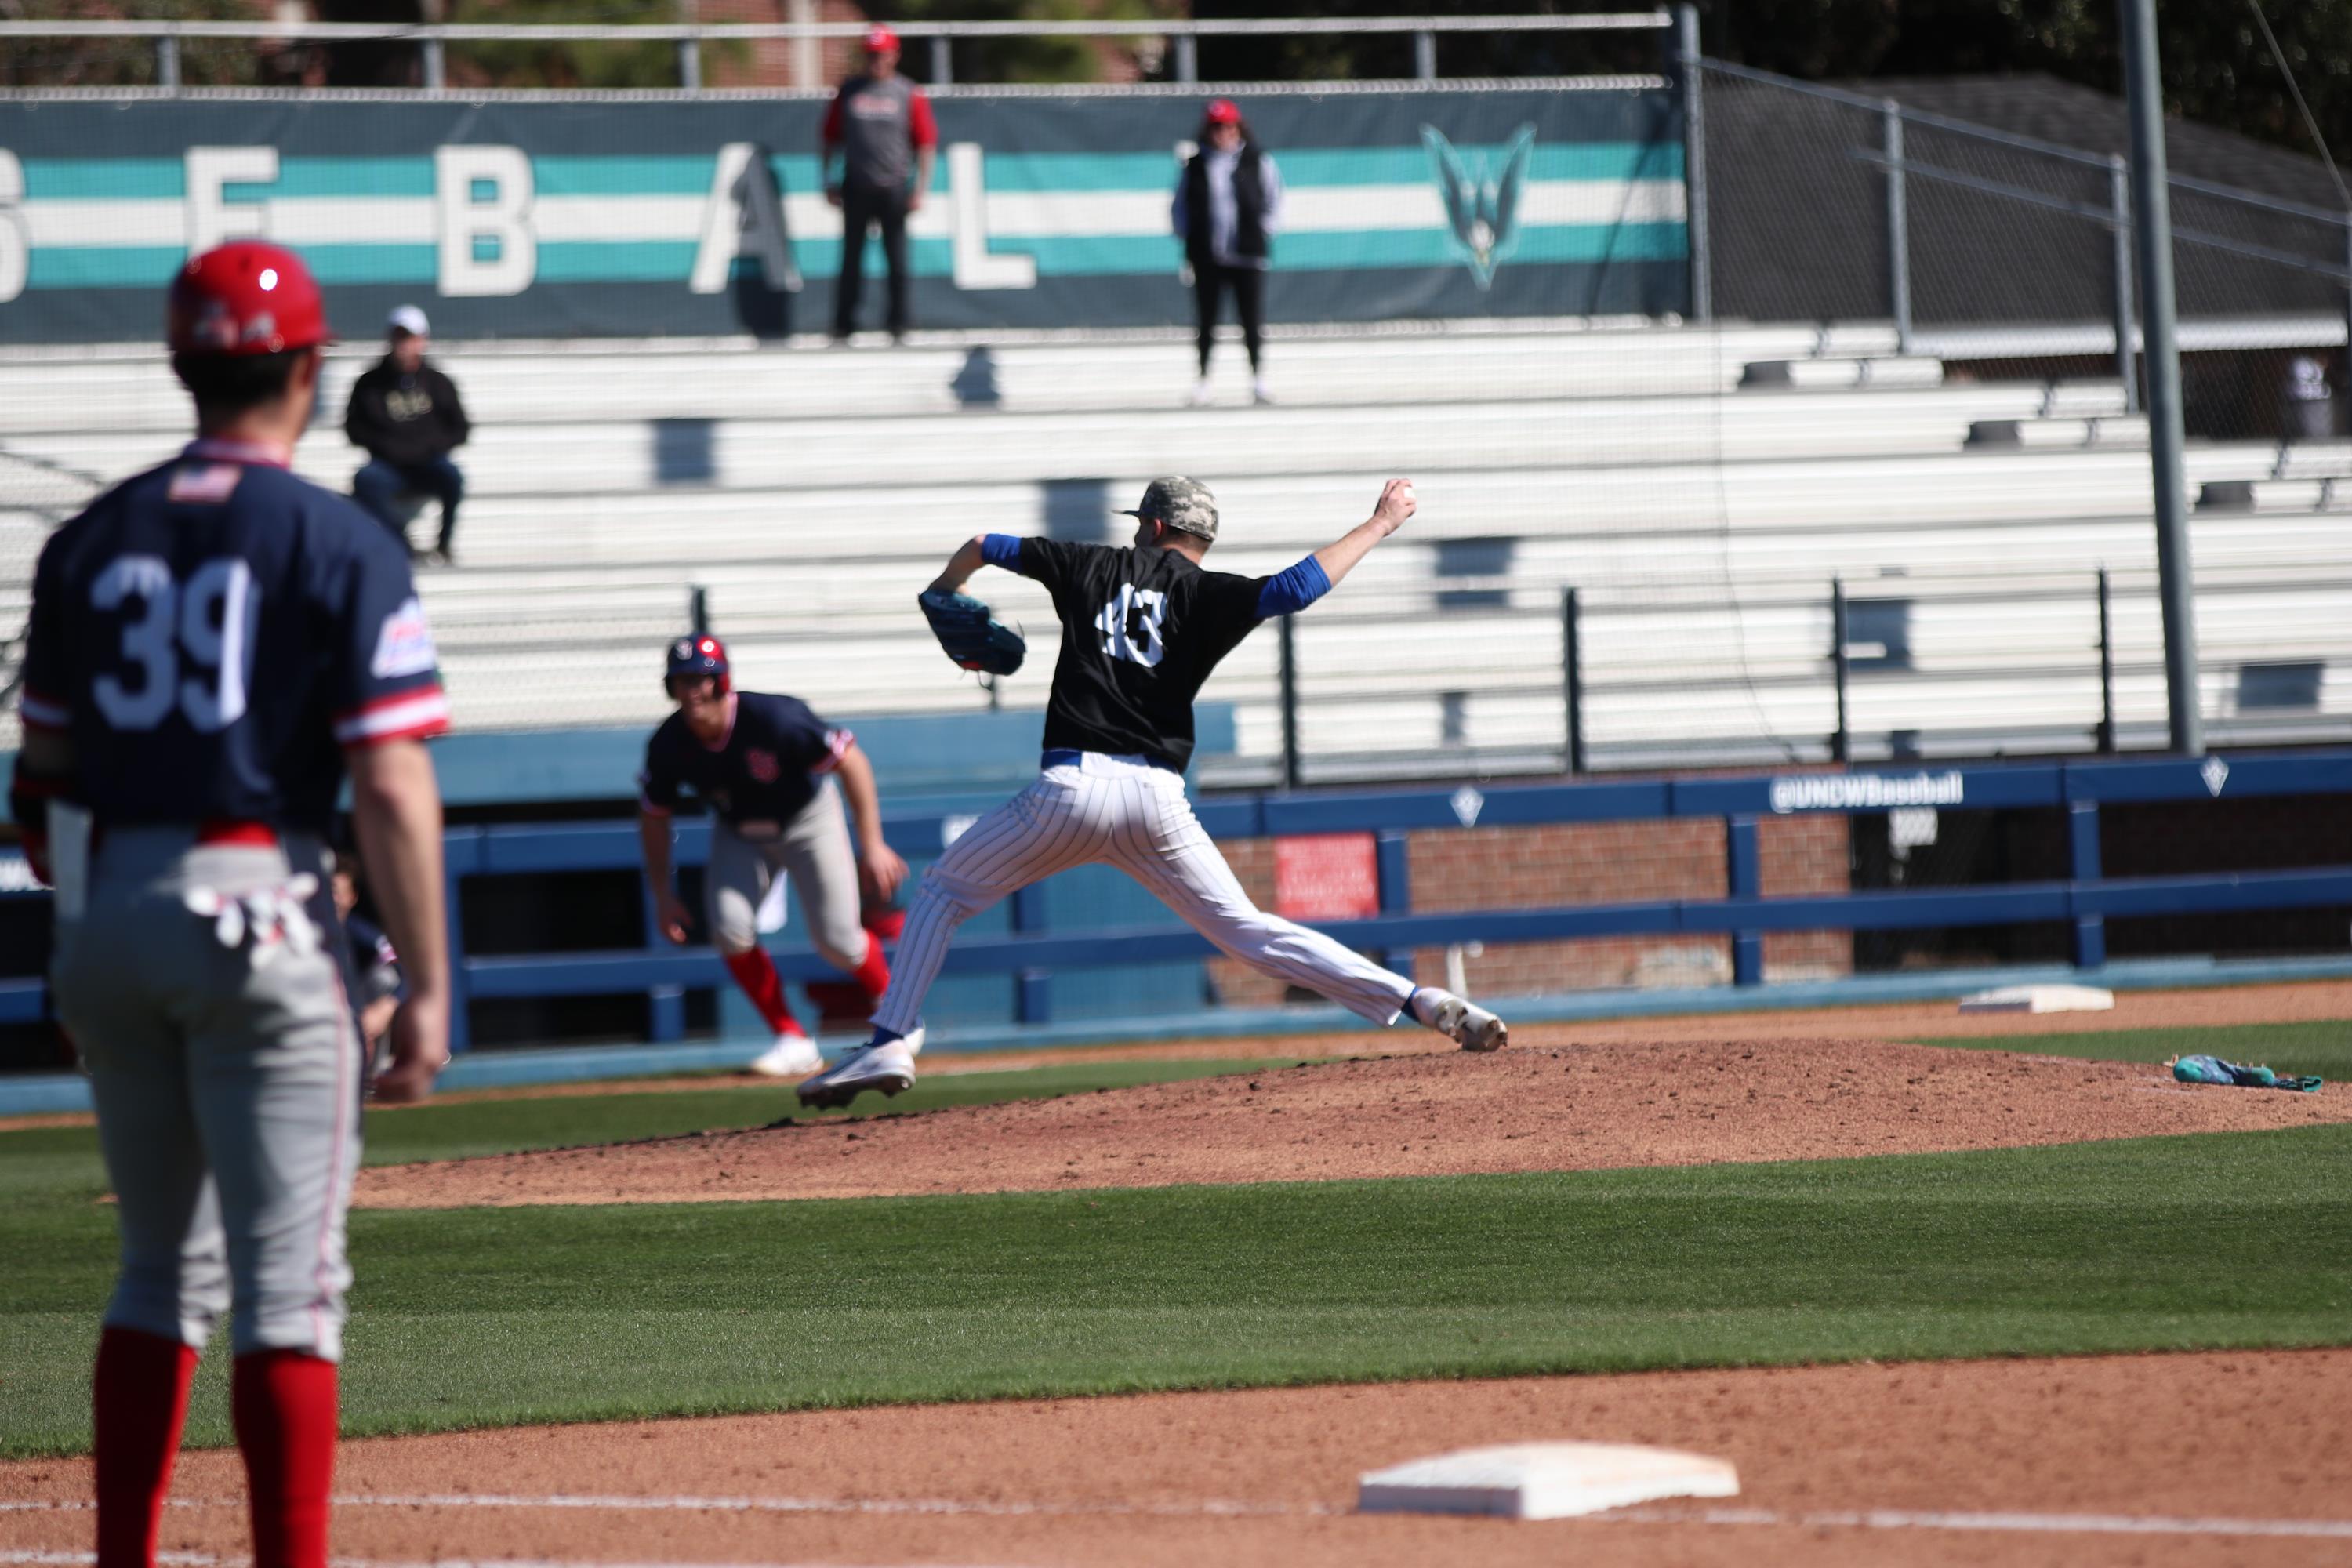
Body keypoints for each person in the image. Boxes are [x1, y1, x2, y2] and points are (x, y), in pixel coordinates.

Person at [10, 240, 452, 1568]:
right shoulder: (339, 537)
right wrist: (428, 985)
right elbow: (389, 780)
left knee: (157, 1272)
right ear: (312, 368)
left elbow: (41, 789)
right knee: (290, 1295)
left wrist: (96, 936)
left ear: (177, 362)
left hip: (113, 904)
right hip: (261, 897)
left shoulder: (88, 539)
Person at [797, 476, 1507, 1109]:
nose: (1138, 530)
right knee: (1250, 934)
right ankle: (1419, 998)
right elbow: (1296, 588)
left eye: (1143, 521)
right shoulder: (1208, 593)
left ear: (1158, 527)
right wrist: (1381, 522)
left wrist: (948, 590)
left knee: (944, 894)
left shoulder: (1089, 563)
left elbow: (984, 542)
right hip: (1156, 801)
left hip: (1069, 789)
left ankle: (891, 1037)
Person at [637, 633, 908, 1076]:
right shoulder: (668, 743)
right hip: (740, 832)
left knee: (838, 941)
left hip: (806, 820)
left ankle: (899, 1011)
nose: (693, 691)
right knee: (730, 929)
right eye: (682, 681)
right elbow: (653, 814)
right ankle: (792, 1038)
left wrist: (872, 842)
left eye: (702, 680)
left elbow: (851, 759)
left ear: (723, 681)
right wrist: (662, 892)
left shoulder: (773, 717)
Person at [822, 24, 937, 344]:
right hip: (856, 185)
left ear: (894, 56)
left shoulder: (908, 92)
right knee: (851, 260)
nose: (876, 62)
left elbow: (925, 143)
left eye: (882, 55)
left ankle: (899, 324)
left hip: (894, 187)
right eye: (871, 56)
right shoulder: (849, 92)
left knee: (897, 262)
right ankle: (844, 325)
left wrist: (920, 189)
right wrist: (827, 179)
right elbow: (829, 138)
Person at [1172, 100, 1284, 408]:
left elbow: (1275, 198)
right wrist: (1187, 236)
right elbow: (1180, 205)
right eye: (1216, 127)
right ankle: (1204, 382)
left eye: (1227, 126)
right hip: (1208, 257)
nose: (1222, 133)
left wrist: (1264, 230)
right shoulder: (1196, 164)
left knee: (1251, 319)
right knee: (1206, 320)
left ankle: (1258, 381)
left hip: (1247, 255)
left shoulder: (1257, 160)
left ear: (1238, 127)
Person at [345, 304, 469, 566]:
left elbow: (460, 428)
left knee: (453, 477)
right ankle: (403, 545)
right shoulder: (369, 383)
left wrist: (430, 447)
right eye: (399, 337)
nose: (404, 345)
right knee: (365, 481)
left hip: (428, 464)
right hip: (388, 467)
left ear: (423, 340)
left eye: (410, 337)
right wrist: (386, 447)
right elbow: (353, 428)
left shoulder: (438, 383)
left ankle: (444, 546)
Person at [332, 851, 403, 1053]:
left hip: (358, 1009)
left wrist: (384, 1009)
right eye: (326, 890)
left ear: (352, 898)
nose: (332, 899)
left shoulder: (364, 935)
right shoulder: (298, 932)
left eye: (337, 891)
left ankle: (373, 1077)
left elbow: (405, 975)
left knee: (385, 978)